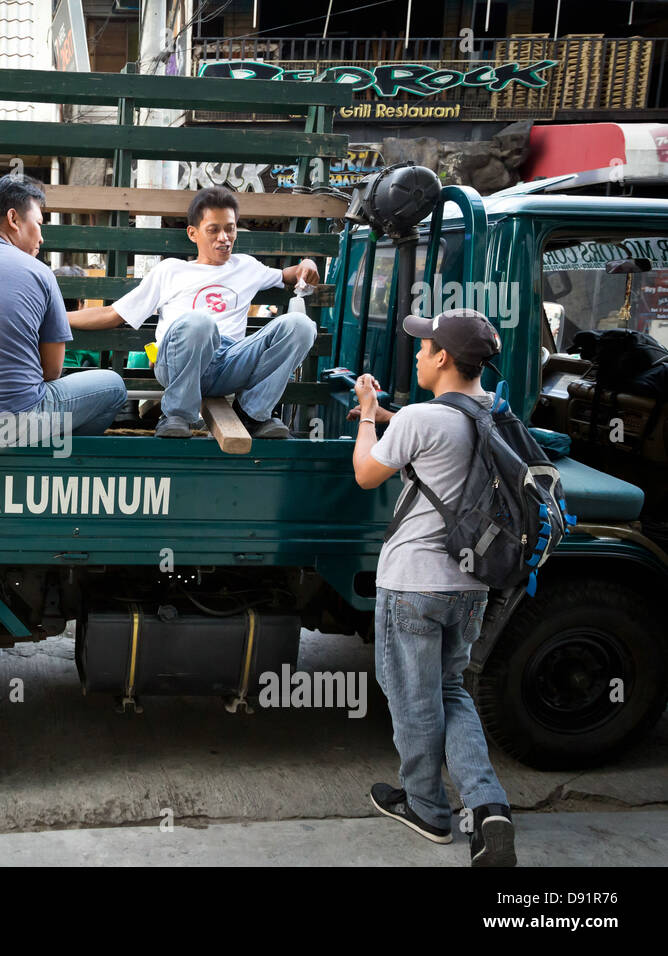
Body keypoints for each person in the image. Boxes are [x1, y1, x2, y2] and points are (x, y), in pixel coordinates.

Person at [350, 308, 515, 868]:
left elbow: (366, 472)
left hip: (414, 583)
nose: (418, 355)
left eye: (424, 349)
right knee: (450, 691)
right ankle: (490, 808)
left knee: (413, 697)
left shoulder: (421, 419)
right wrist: (392, 415)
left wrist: (369, 417)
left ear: (442, 359)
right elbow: (444, 441)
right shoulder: (495, 412)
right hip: (471, 584)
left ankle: (426, 807)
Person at [66, 186, 318, 439]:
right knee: (200, 323)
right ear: (193, 233)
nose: (224, 237)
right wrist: (59, 318)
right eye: (214, 230)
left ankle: (253, 413)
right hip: (179, 361)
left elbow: (289, 274)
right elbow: (113, 314)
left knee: (301, 325)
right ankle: (176, 414)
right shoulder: (171, 271)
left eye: (230, 228)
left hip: (230, 362)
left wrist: (306, 264)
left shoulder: (247, 266)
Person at [0, 175, 126, 441]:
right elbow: (52, 371)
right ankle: (45, 463)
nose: (42, 236)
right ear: (14, 219)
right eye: (39, 223)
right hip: (15, 421)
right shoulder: (39, 272)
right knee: (114, 387)